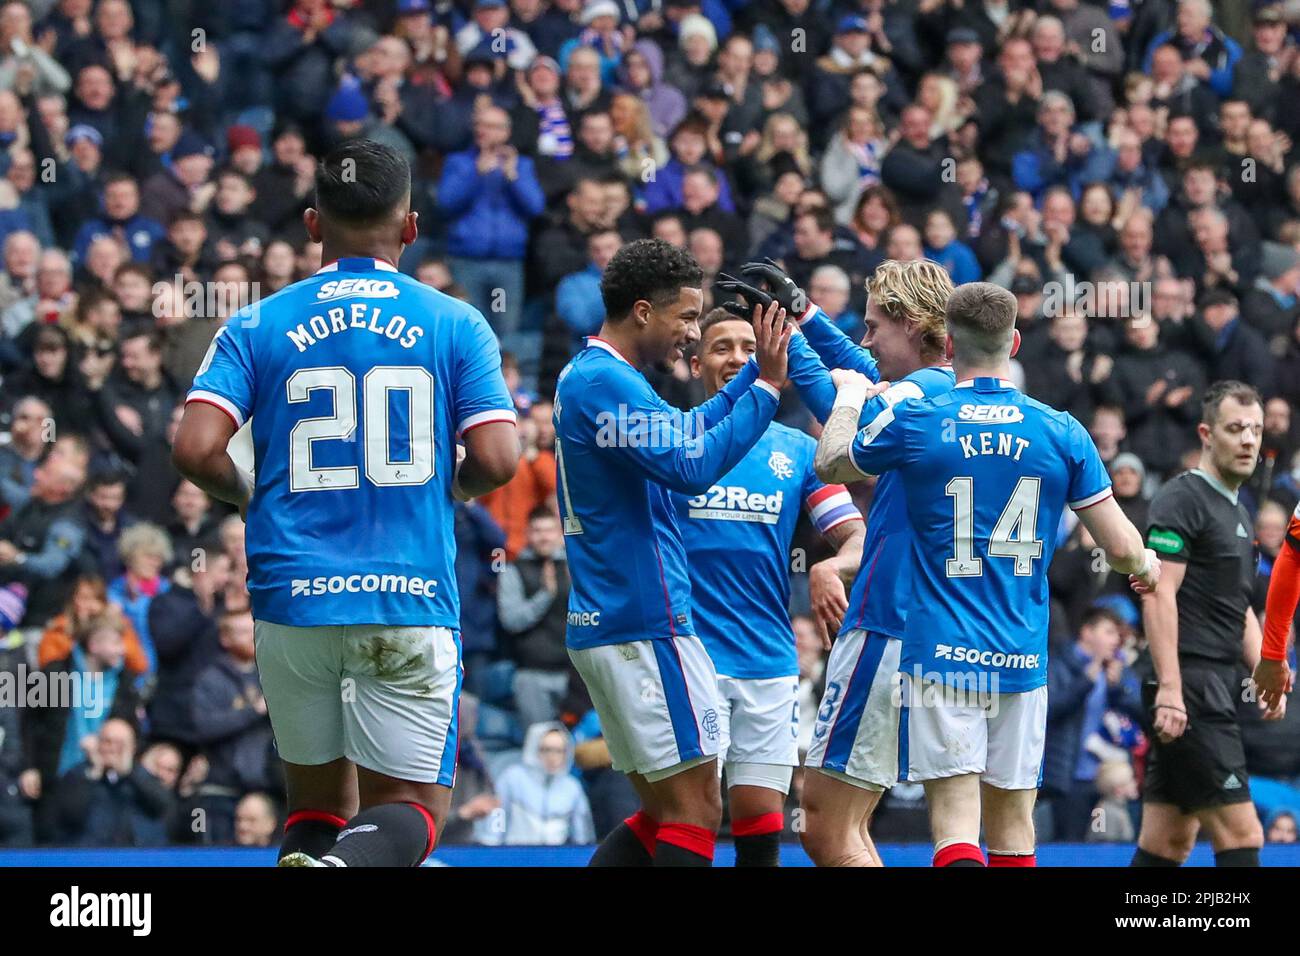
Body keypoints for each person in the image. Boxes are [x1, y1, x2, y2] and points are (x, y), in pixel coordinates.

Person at [171, 139, 521, 868]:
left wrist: (247, 496)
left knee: (317, 808)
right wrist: (446, 488)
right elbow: (496, 459)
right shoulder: (456, 323)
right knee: (413, 812)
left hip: (291, 596)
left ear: (311, 223)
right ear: (410, 228)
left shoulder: (254, 323)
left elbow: (195, 447)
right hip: (406, 594)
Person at [815, 282, 1159, 867]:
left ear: (947, 345)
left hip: (941, 652)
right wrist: (1147, 569)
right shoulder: (1061, 430)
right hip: (1021, 654)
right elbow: (1123, 546)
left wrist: (849, 394)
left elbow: (832, 462)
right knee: (1015, 829)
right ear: (1016, 342)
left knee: (954, 825)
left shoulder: (923, 419)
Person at [554, 237, 790, 866]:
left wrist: (746, 383)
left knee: (663, 811)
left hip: (614, 620)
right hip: (644, 621)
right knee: (695, 811)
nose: (692, 332)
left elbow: (685, 432)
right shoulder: (606, 382)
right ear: (642, 312)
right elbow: (690, 464)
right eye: (686, 317)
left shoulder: (600, 376)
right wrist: (767, 389)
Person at [722, 257, 958, 868]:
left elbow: (843, 409)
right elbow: (862, 375)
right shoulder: (946, 389)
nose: (867, 338)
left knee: (826, 822)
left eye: (876, 324)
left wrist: (786, 339)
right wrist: (802, 312)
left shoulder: (911, 396)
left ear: (910, 324)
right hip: (942, 621)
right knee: (867, 820)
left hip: (886, 620)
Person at [672, 306, 864, 866]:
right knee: (687, 817)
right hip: (687, 658)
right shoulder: (671, 441)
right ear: (693, 362)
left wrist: (831, 567)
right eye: (720, 347)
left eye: (747, 348)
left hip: (768, 661)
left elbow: (857, 537)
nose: (736, 358)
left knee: (760, 827)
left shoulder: (798, 449)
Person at [1136, 380, 1282, 867]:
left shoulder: (1238, 510)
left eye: (1256, 431)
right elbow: (1159, 593)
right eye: (1236, 428)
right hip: (1191, 685)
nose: (1248, 441)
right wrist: (1171, 690)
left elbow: (1236, 605)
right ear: (1206, 433)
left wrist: (1267, 667)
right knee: (1243, 833)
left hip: (1216, 681)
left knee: (1168, 840)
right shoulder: (1183, 499)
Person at [497, 507, 570, 729]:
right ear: (528, 534)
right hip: (531, 675)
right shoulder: (513, 570)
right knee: (537, 743)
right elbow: (511, 620)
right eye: (537, 531)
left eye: (549, 530)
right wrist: (545, 596)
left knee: (583, 749)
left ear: (559, 533)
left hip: (575, 674)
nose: (544, 536)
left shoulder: (574, 568)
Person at [483, 722, 594, 846]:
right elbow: (496, 823)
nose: (553, 757)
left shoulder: (573, 788)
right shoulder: (512, 778)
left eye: (559, 751)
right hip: (515, 857)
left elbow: (582, 835)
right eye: (546, 750)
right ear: (533, 748)